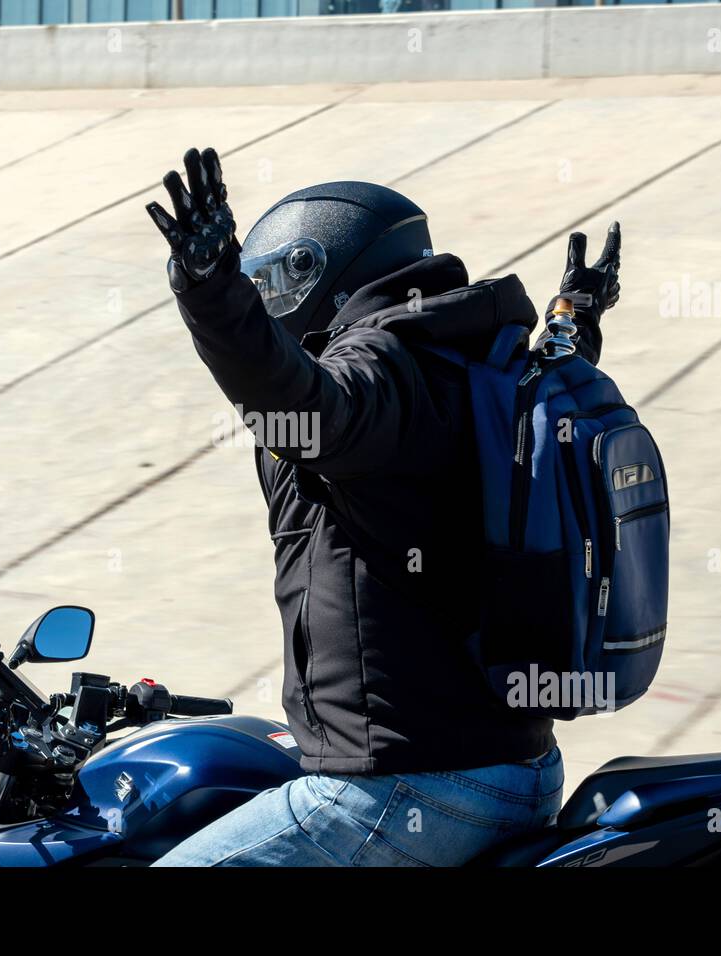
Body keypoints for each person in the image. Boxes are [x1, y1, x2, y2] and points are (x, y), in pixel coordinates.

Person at [144, 147, 621, 866]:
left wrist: (211, 291)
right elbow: (552, 378)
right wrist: (573, 319)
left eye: (272, 282)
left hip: (406, 790)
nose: (269, 302)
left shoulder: (382, 368)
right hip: (517, 771)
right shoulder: (482, 361)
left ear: (324, 273)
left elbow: (303, 404)